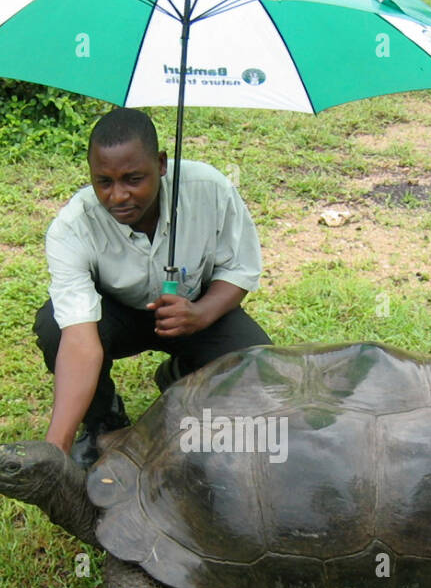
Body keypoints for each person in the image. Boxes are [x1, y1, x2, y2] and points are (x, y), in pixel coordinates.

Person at [35, 107, 272, 467]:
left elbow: (239, 269)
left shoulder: (210, 190)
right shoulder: (73, 226)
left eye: (133, 179)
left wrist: (201, 313)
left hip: (194, 310)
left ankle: (180, 375)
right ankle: (104, 420)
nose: (118, 196)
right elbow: (81, 340)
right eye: (104, 182)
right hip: (114, 316)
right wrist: (55, 450)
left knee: (258, 365)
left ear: (161, 164)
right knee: (55, 325)